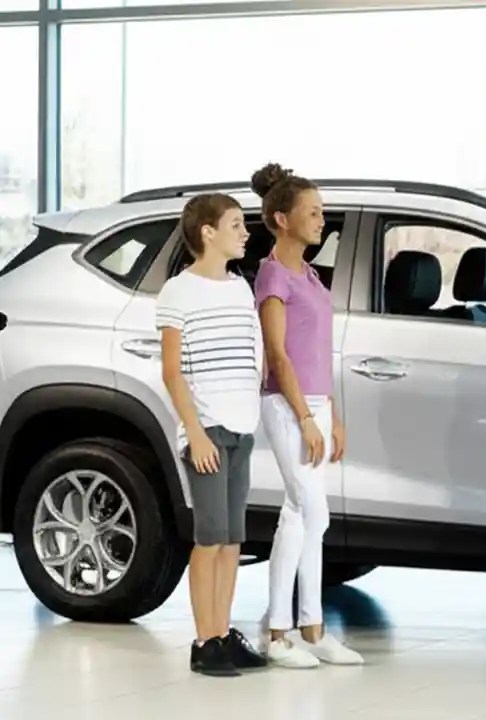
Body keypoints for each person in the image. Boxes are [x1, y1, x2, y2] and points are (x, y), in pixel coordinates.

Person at [251, 163, 364, 668]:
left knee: (299, 518)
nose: (322, 220)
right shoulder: (273, 275)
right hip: (285, 404)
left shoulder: (311, 276)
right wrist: (305, 417)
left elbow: (320, 351)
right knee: (312, 512)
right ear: (281, 219)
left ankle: (308, 628)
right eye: (313, 212)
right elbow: (278, 356)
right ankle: (278, 633)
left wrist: (332, 414)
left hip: (315, 406)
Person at [157, 193, 269, 677]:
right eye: (236, 224)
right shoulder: (178, 293)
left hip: (242, 427)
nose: (245, 233)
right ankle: (203, 641)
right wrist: (196, 434)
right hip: (208, 431)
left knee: (231, 542)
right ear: (207, 232)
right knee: (208, 539)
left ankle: (222, 632)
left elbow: (251, 351)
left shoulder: (239, 288)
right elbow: (172, 371)